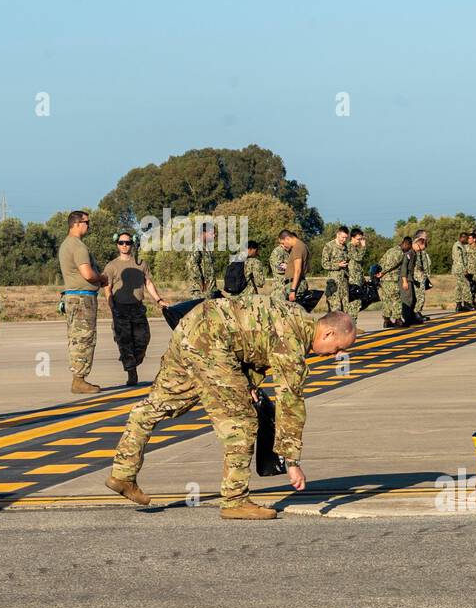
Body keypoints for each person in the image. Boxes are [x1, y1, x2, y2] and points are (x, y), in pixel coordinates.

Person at [106, 297, 357, 519]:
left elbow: (249, 341)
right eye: (339, 348)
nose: (337, 355)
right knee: (243, 422)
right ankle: (235, 500)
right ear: (328, 334)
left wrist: (247, 383)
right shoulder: (292, 341)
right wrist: (291, 461)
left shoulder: (294, 315)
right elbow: (290, 402)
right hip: (212, 341)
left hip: (191, 327)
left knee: (157, 406)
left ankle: (122, 472)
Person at [102, 231, 168, 386]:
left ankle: (133, 361)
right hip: (121, 309)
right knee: (124, 342)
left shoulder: (141, 264)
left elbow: (148, 284)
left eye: (128, 243)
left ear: (133, 244)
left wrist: (159, 300)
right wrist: (111, 305)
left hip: (137, 308)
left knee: (143, 339)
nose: (125, 245)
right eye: (121, 243)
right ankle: (132, 373)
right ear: (117, 244)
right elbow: (107, 288)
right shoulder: (111, 266)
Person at [58, 210, 108, 394]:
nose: (89, 226)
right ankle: (79, 380)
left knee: (76, 338)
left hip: (73, 297)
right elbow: (87, 274)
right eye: (87, 222)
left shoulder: (66, 245)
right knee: (84, 338)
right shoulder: (78, 246)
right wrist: (101, 278)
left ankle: (78, 378)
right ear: (77, 224)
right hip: (82, 298)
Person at [377, 237, 411, 327]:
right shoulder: (399, 253)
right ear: (405, 244)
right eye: (408, 247)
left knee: (386, 300)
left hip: (383, 280)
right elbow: (390, 265)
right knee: (396, 299)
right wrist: (382, 272)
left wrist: (379, 272)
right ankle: (398, 319)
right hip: (391, 279)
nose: (408, 249)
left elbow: (381, 261)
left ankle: (387, 320)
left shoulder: (391, 250)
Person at [321, 226, 352, 317]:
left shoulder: (345, 247)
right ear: (337, 235)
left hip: (344, 282)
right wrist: (337, 265)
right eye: (343, 237)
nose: (344, 239)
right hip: (334, 283)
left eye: (346, 238)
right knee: (335, 309)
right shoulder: (329, 246)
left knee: (345, 309)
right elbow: (324, 264)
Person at [275, 229, 310, 305]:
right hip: (298, 283)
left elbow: (297, 270)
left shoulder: (297, 248)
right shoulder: (301, 245)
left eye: (283, 243)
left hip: (296, 286)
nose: (283, 246)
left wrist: (292, 291)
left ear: (287, 238)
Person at [186, 222, 218, 299]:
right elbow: (192, 265)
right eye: (212, 233)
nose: (214, 236)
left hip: (209, 290)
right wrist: (201, 283)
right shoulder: (196, 246)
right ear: (204, 233)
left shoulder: (207, 247)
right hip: (200, 291)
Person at [410, 230, 432, 324]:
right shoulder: (415, 247)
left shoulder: (421, 248)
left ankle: (417, 312)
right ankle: (416, 313)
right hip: (417, 275)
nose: (426, 238)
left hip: (421, 275)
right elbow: (417, 263)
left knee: (420, 295)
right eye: (424, 236)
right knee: (419, 295)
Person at [451, 231, 471, 312]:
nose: (467, 240)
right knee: (466, 285)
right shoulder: (458, 246)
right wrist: (464, 270)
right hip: (460, 269)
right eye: (466, 238)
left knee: (459, 287)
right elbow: (459, 260)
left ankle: (458, 305)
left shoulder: (461, 245)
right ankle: (466, 304)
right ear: (462, 238)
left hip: (458, 269)